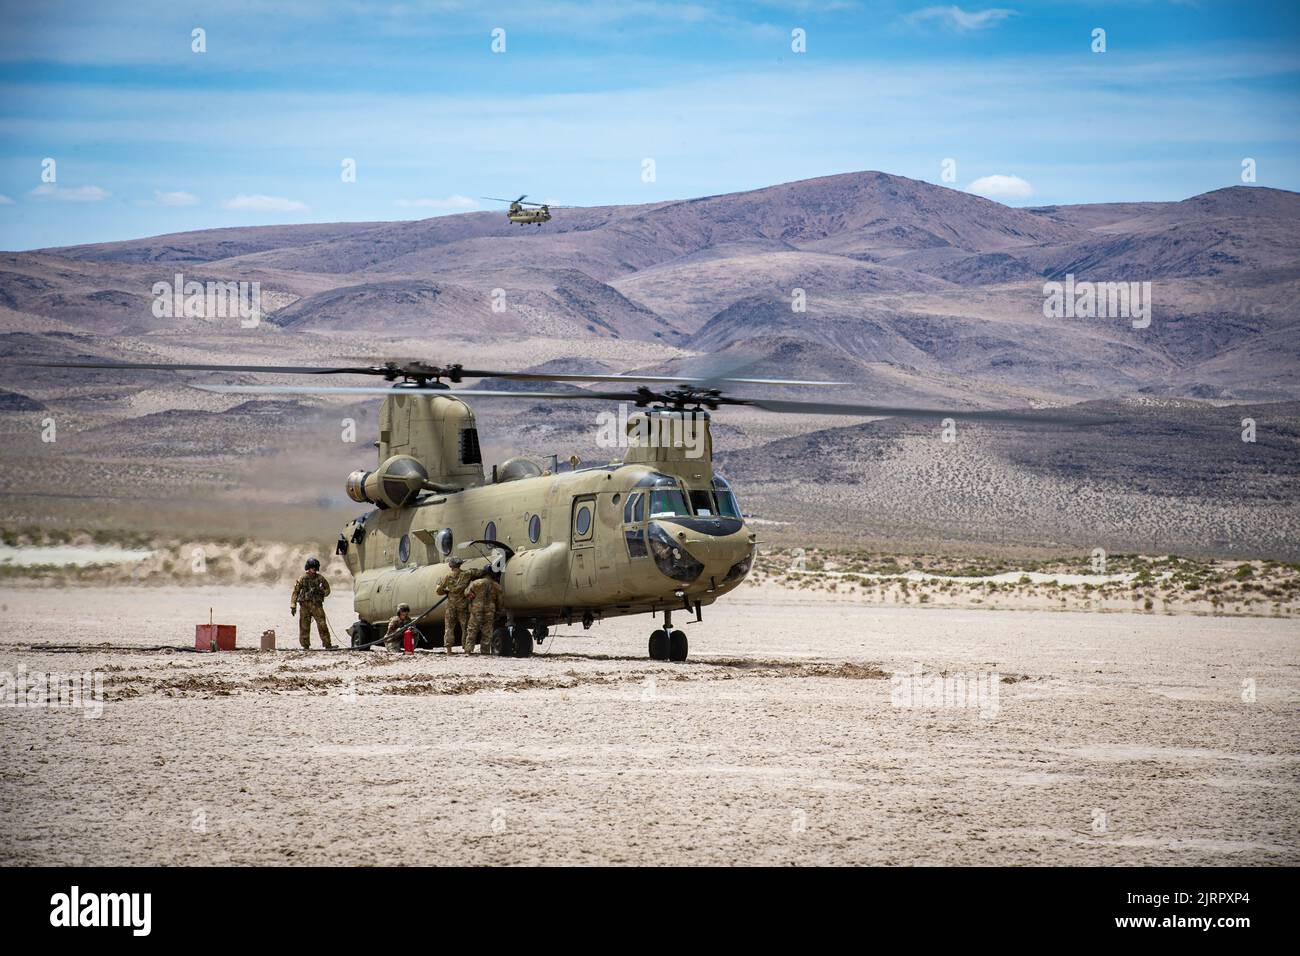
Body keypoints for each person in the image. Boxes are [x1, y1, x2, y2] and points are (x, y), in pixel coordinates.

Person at [290, 557, 333, 649]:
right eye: (311, 567)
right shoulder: (303, 578)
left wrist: (321, 592)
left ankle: (327, 644)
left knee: (322, 624)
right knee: (304, 625)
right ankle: (305, 645)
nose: (313, 569)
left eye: (315, 568)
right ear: (308, 568)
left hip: (316, 605)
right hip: (305, 605)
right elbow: (295, 592)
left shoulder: (320, 578)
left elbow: (328, 590)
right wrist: (293, 605)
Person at [435, 556, 475, 653]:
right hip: (463, 605)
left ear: (451, 565)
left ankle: (449, 650)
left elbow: (438, 591)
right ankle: (466, 649)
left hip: (451, 606)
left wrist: (447, 592)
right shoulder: (466, 574)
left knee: (449, 627)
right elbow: (478, 573)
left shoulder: (447, 577)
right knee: (465, 627)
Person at [463, 569, 503, 654]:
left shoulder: (476, 583)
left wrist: (471, 597)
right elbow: (500, 601)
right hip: (490, 610)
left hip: (476, 608)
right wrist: (499, 611)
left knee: (472, 629)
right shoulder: (496, 586)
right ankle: (485, 651)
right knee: (487, 631)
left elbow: (466, 592)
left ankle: (468, 650)